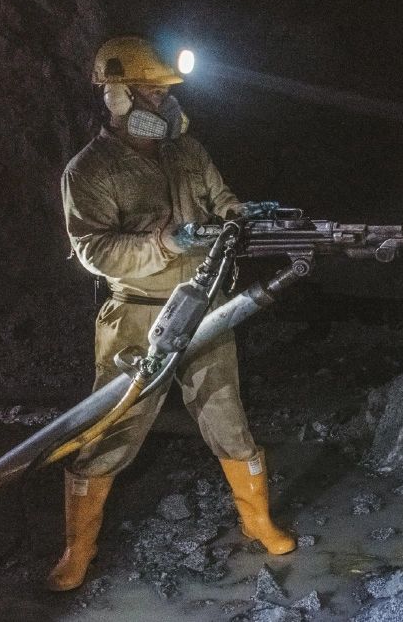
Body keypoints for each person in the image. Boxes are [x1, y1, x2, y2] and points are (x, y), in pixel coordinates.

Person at [50, 36, 293, 592]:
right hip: (137, 316)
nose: (163, 102)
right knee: (114, 428)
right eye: (150, 91)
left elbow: (221, 199)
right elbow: (94, 250)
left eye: (164, 91)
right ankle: (77, 549)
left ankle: (257, 522)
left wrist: (239, 215)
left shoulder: (188, 152)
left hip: (207, 310)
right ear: (115, 96)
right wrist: (168, 240)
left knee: (226, 414)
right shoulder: (88, 170)